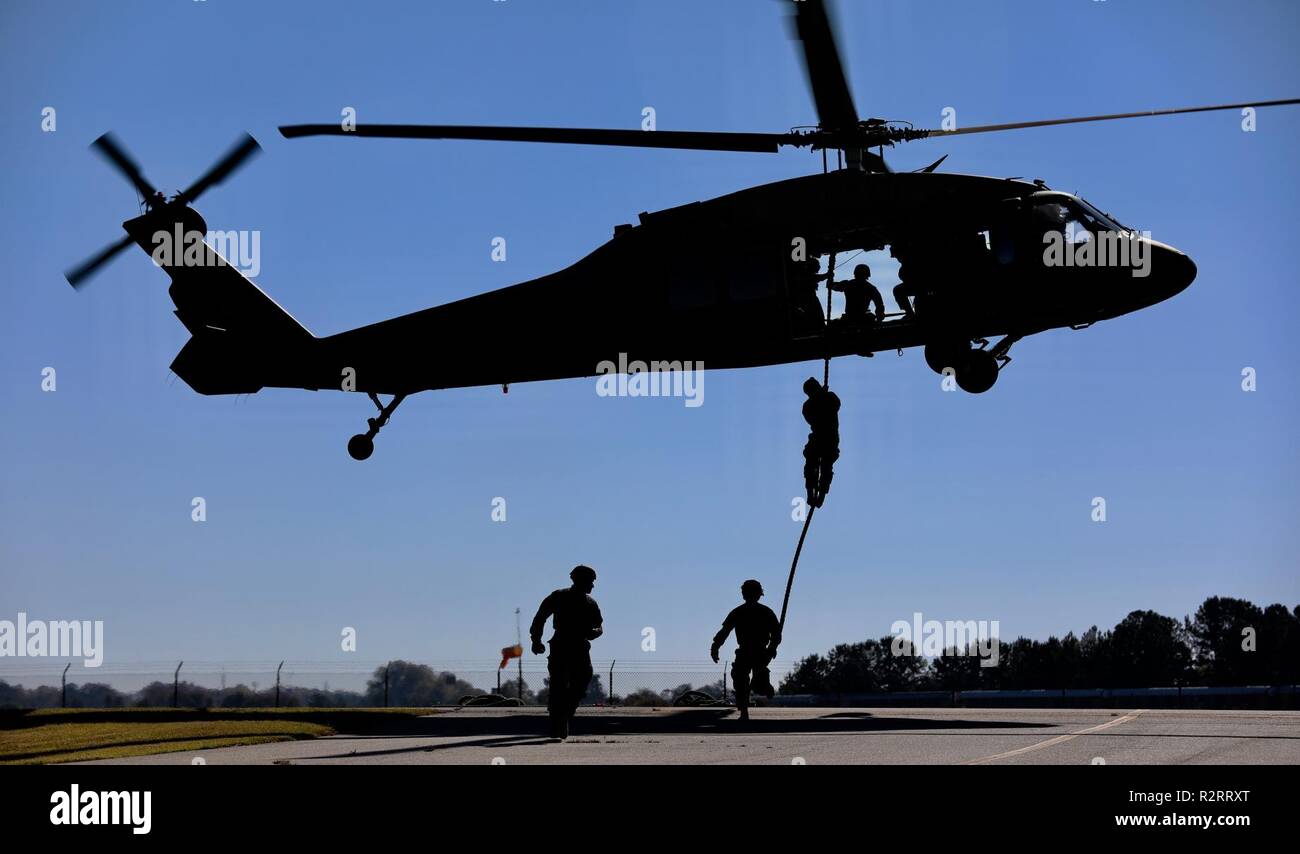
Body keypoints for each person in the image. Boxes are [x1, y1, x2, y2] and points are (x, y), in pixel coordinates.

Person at [529, 565, 603, 740]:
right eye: (590, 582)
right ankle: (558, 722)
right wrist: (536, 640)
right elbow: (540, 617)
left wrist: (595, 632)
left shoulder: (591, 603)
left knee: (582, 680)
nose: (592, 586)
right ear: (579, 580)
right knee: (558, 685)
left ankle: (564, 714)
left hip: (580, 647)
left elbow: (599, 625)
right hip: (561, 645)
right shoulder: (559, 596)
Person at [710, 579, 781, 722]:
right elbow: (725, 631)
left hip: (760, 652)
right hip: (745, 652)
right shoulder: (740, 612)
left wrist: (772, 648)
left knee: (754, 684)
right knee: (740, 679)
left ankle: (764, 685)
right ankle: (744, 711)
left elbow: (776, 634)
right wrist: (715, 646)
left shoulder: (763, 612)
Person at [801, 377, 841, 508]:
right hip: (824, 438)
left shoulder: (823, 400)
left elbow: (835, 406)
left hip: (826, 438)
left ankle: (819, 494)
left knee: (824, 466)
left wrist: (822, 396)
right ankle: (813, 494)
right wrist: (822, 396)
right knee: (817, 465)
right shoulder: (824, 399)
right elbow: (817, 418)